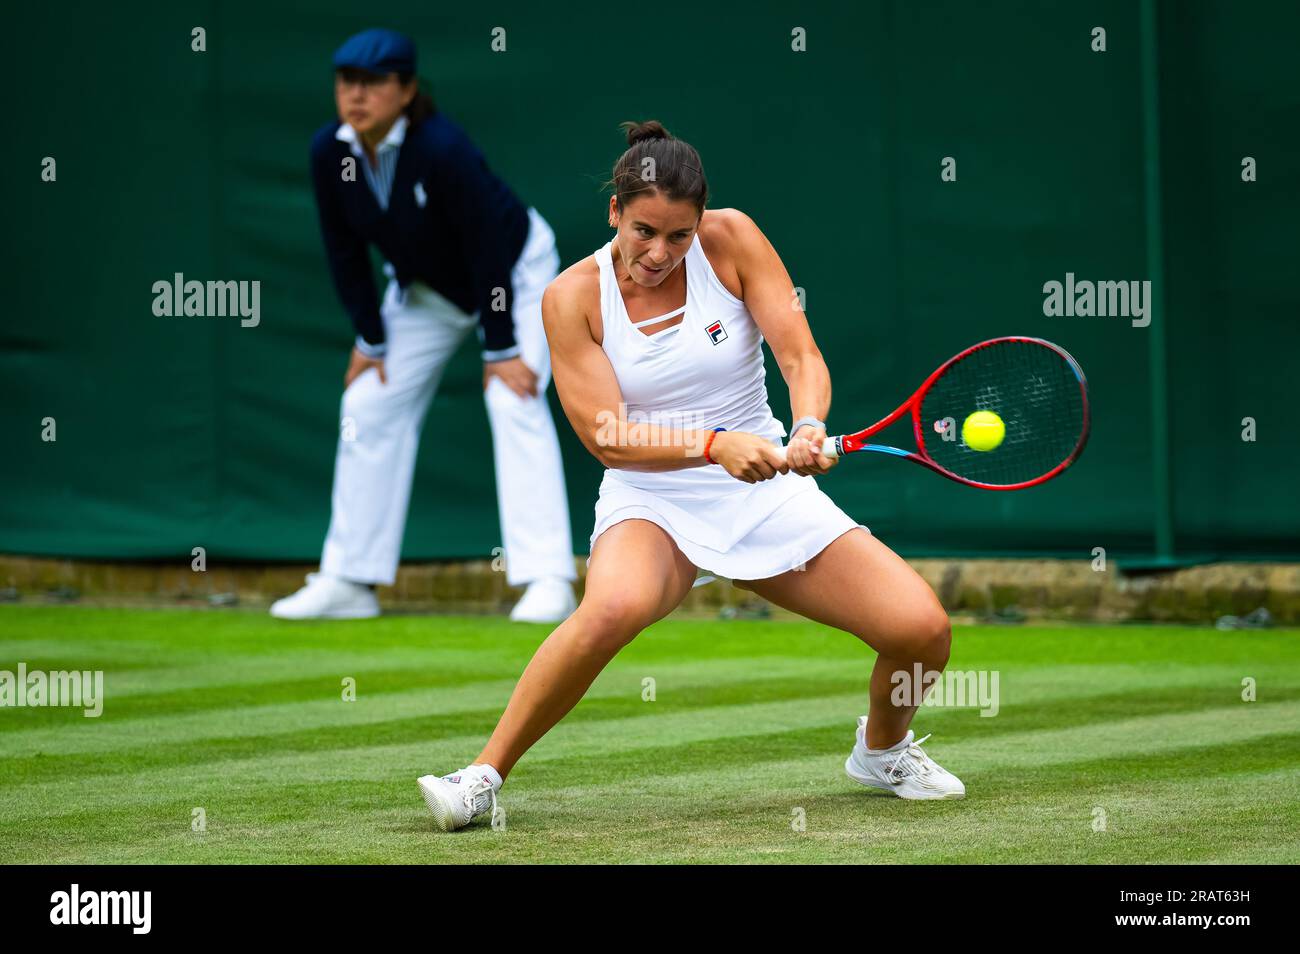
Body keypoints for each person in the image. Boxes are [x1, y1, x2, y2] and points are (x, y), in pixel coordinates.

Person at [418, 120, 964, 830]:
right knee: (610, 610)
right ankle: (481, 777)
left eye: (678, 236)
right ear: (614, 212)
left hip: (766, 490)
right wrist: (713, 445)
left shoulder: (732, 239)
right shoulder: (570, 297)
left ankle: (882, 749)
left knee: (923, 631)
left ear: (700, 221)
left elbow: (800, 357)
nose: (659, 252)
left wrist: (805, 427)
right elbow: (607, 436)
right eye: (644, 231)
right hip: (653, 494)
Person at [271, 28, 576, 623]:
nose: (357, 95)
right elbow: (343, 250)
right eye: (347, 82)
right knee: (366, 400)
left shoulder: (442, 148)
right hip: (427, 292)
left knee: (512, 399)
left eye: (374, 82)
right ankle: (350, 580)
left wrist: (501, 348)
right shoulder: (330, 154)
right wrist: (370, 337)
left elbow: (488, 248)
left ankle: (548, 580)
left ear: (406, 90)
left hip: (514, 274)